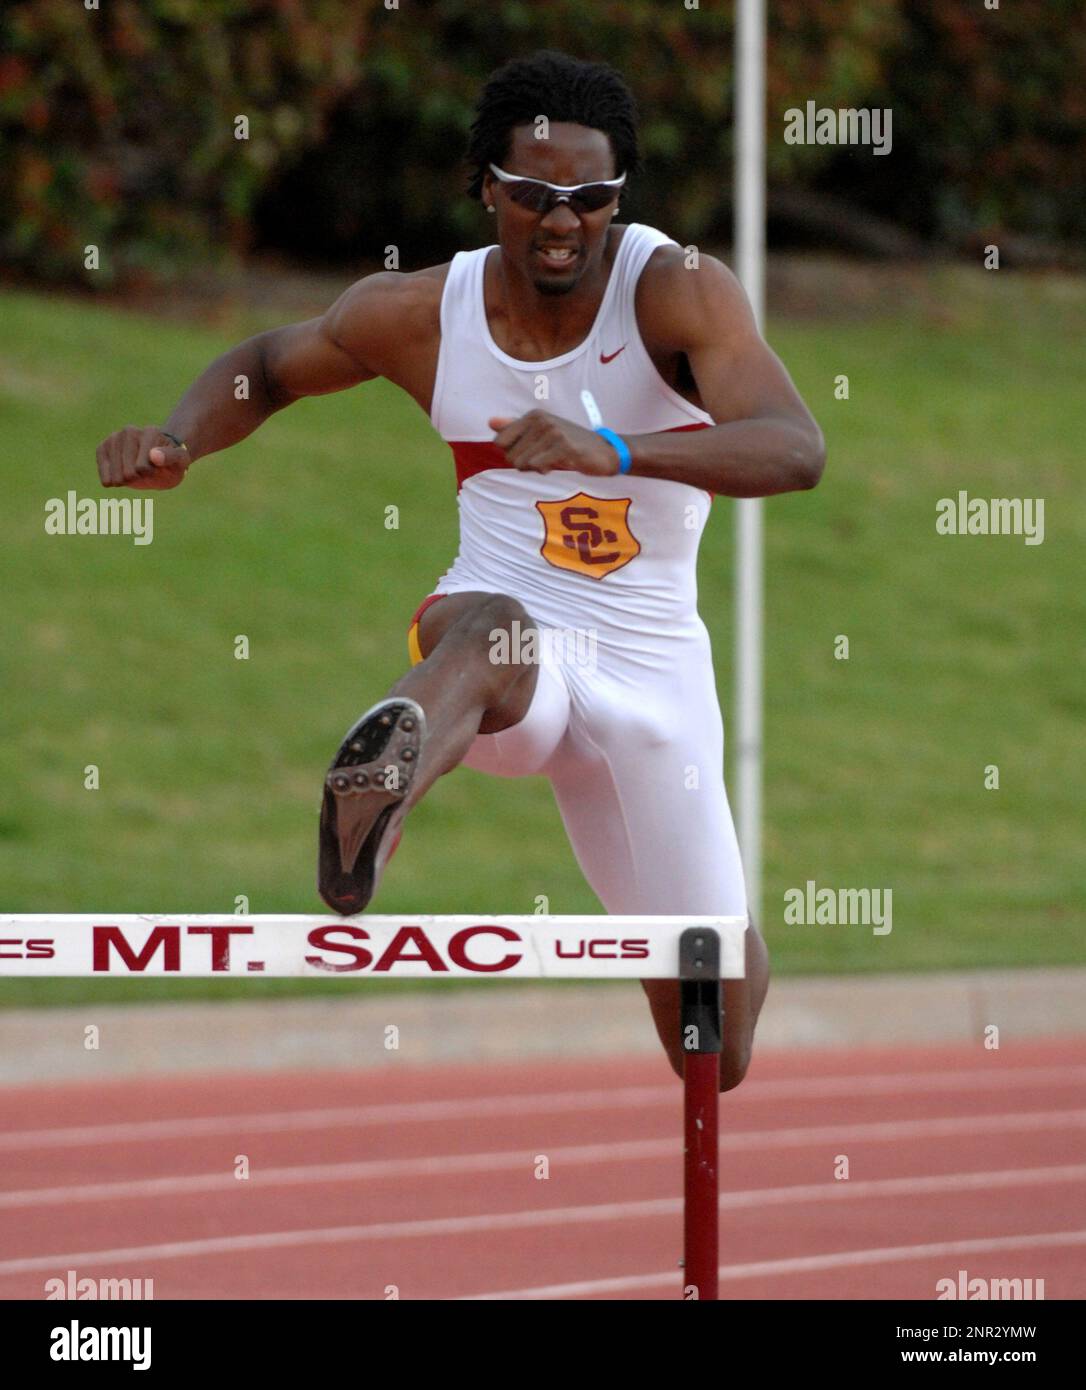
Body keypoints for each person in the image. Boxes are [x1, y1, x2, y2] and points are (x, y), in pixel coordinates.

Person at [96, 50, 824, 1089]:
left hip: (653, 672)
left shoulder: (676, 292)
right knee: (487, 629)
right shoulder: (423, 312)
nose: (564, 221)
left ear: (619, 197)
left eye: (592, 198)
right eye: (534, 196)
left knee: (716, 1040)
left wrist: (614, 450)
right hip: (503, 657)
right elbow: (268, 364)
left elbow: (796, 449)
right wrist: (177, 442)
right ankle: (378, 794)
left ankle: (687, 912)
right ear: (489, 186)